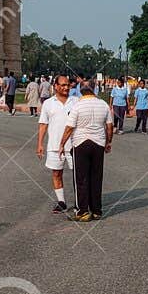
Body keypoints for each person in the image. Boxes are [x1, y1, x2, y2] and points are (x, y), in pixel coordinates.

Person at [58, 79, 113, 221]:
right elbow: (109, 126)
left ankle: (82, 210)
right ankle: (96, 210)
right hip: (98, 143)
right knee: (96, 177)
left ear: (81, 90)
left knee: (81, 178)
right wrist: (108, 142)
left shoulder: (78, 106)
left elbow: (69, 127)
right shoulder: (103, 105)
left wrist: (62, 144)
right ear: (94, 89)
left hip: (81, 143)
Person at [36, 74, 76, 214]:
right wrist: (40, 144)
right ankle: (61, 202)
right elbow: (43, 124)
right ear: (56, 86)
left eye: (68, 85)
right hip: (54, 146)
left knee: (77, 175)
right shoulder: (48, 103)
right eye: (63, 85)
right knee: (56, 174)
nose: (66, 87)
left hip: (73, 146)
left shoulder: (76, 101)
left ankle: (79, 202)